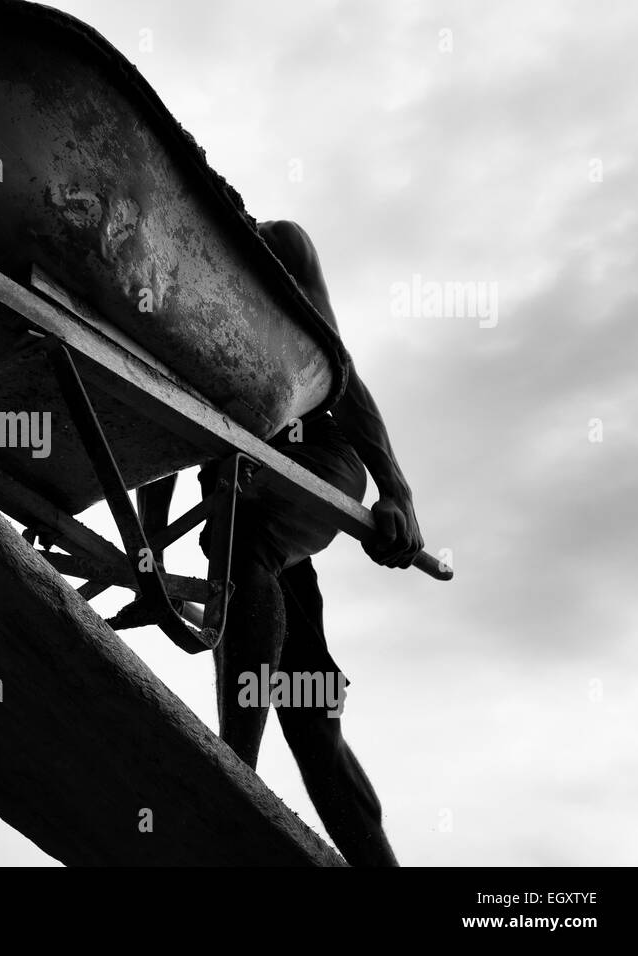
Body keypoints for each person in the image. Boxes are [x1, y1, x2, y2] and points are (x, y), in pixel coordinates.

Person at [138, 219, 423, 867]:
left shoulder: (279, 250)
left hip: (319, 451)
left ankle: (233, 771)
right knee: (305, 699)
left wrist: (395, 488)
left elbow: (339, 376)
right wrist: (147, 552)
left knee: (244, 535)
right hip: (238, 466)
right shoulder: (157, 279)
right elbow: (156, 427)